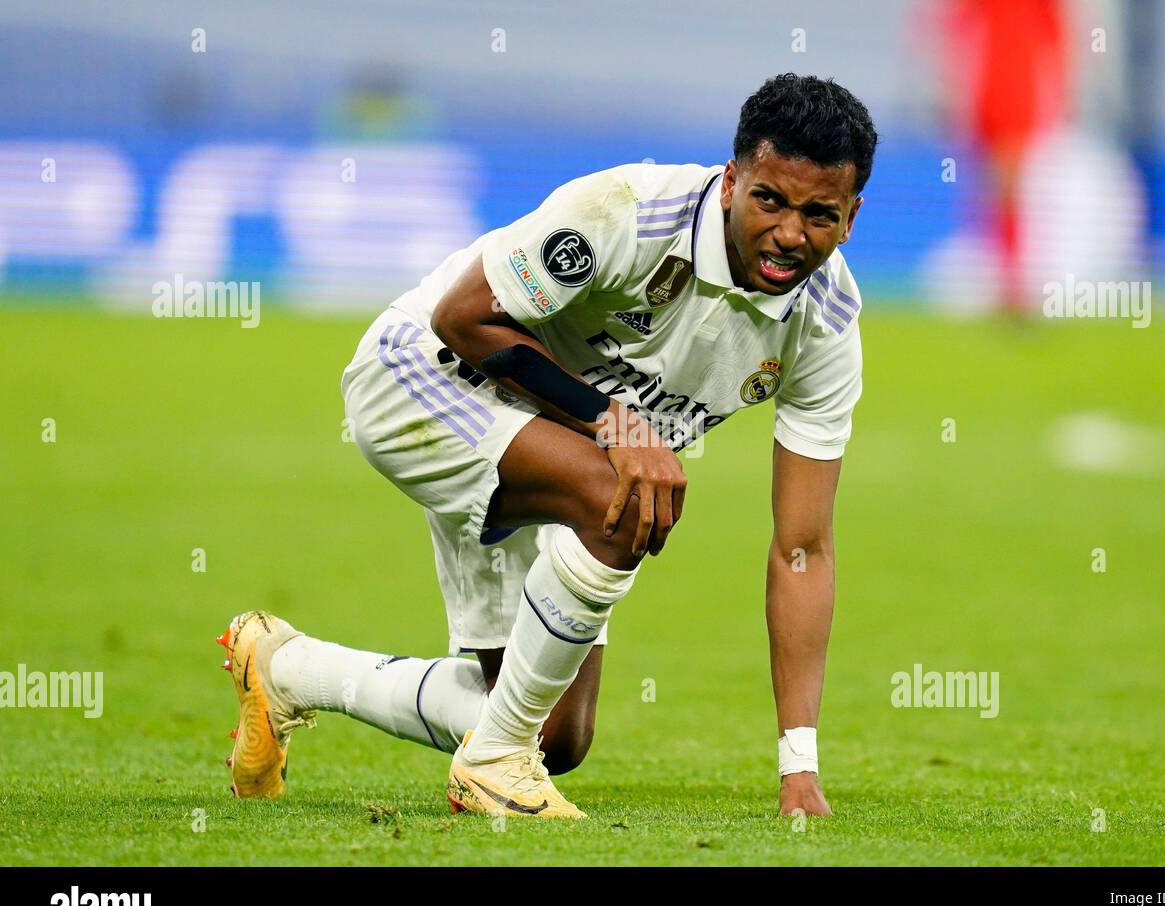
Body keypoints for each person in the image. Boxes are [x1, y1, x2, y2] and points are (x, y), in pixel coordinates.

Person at [216, 73, 876, 818]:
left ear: (850, 218)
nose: (791, 233)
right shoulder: (628, 211)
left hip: (540, 437)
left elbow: (804, 548)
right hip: (422, 373)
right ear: (730, 183)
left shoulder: (824, 326)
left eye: (819, 214)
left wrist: (799, 766)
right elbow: (463, 317)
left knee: (554, 735)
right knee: (621, 499)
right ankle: (492, 766)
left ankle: (289, 671)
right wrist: (616, 423)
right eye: (770, 200)